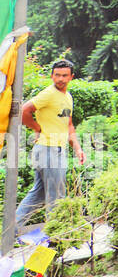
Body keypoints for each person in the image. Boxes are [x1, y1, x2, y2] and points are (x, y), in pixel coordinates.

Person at [14, 59, 85, 237]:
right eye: (57, 75)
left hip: (55, 149)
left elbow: (68, 125)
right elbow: (25, 110)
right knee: (56, 197)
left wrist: (77, 148)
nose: (60, 79)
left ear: (71, 77)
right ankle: (55, 238)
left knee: (38, 194)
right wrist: (37, 128)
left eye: (64, 75)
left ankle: (10, 232)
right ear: (52, 76)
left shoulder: (67, 97)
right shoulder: (49, 94)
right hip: (49, 149)